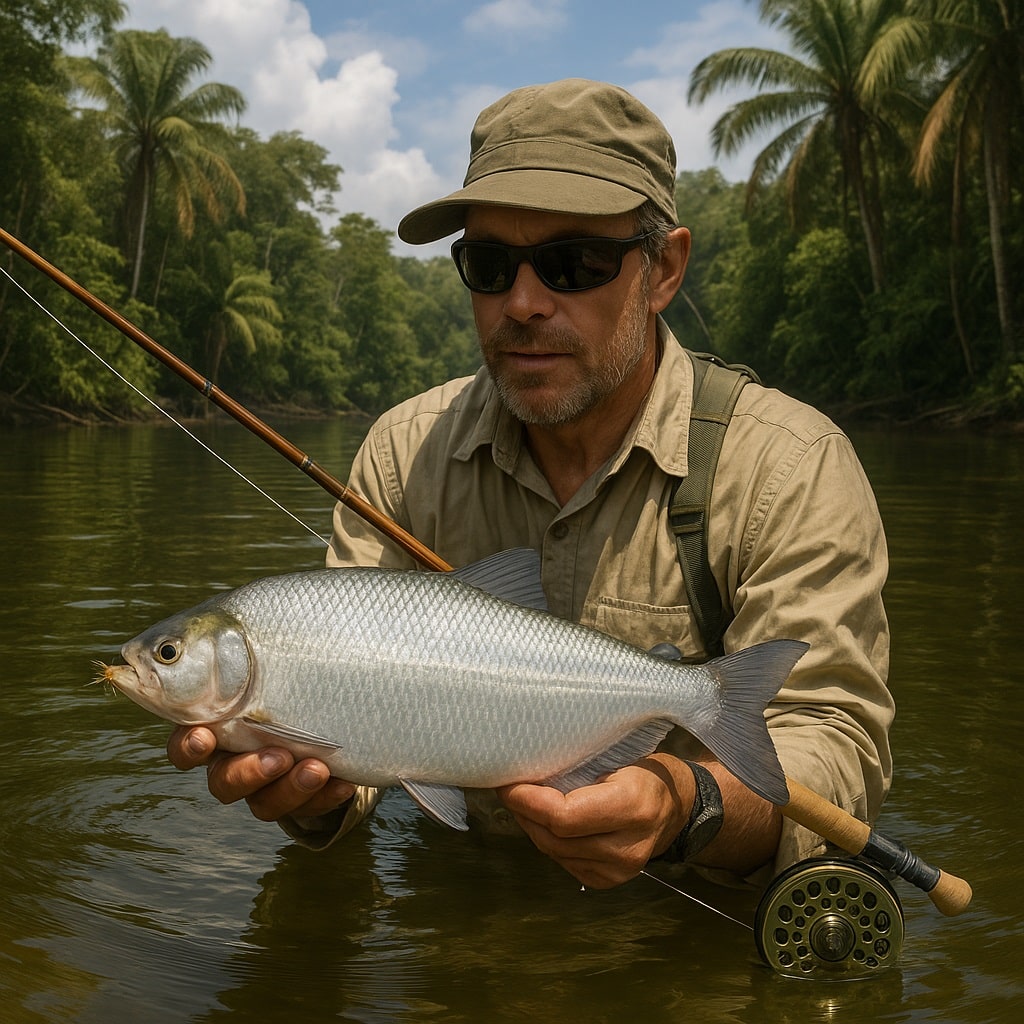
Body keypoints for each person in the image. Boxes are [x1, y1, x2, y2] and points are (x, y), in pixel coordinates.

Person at [167, 79, 893, 891]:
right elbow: (354, 775)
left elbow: (834, 742)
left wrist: (683, 807)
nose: (522, 302)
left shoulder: (790, 467)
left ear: (664, 271)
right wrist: (307, 795)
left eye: (572, 264)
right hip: (457, 921)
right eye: (488, 264)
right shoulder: (403, 453)